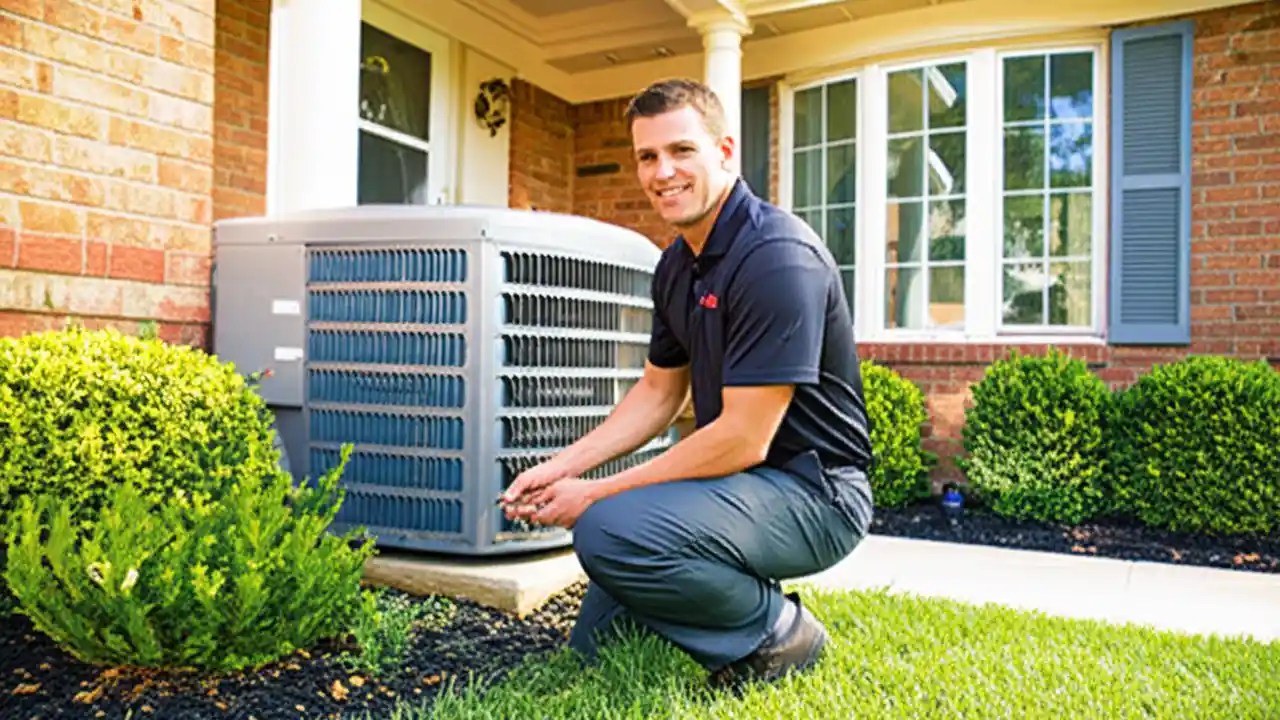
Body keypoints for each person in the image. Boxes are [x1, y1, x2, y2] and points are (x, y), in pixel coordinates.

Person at [500, 77, 874, 690]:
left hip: (817, 494)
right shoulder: (675, 265)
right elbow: (658, 393)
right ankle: (728, 584)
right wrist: (560, 467)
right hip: (747, 485)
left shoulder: (776, 258)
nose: (662, 172)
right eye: (647, 156)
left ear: (725, 152)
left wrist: (592, 495)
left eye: (682, 151)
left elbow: (744, 440)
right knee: (598, 648)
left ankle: (777, 634)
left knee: (607, 529)